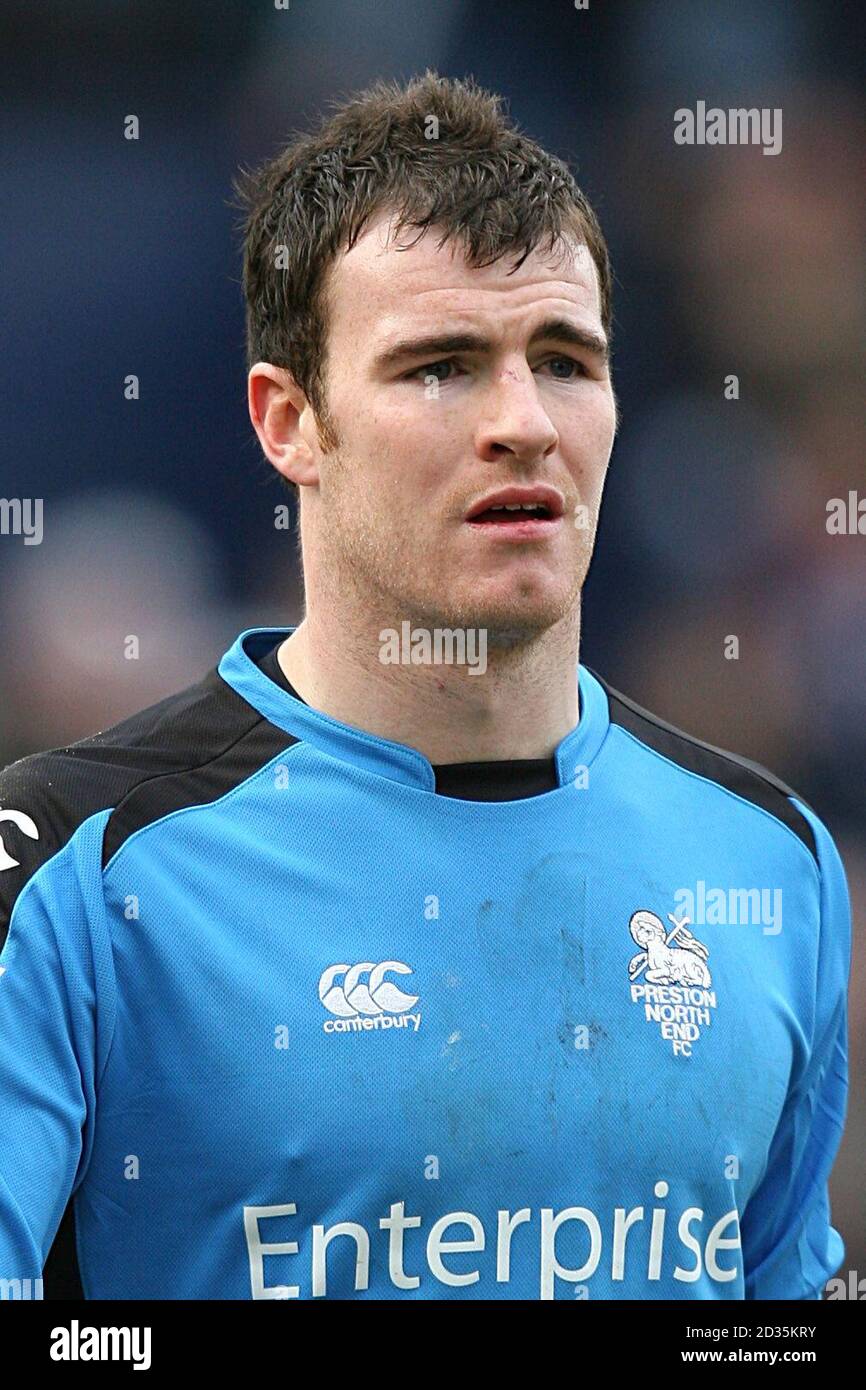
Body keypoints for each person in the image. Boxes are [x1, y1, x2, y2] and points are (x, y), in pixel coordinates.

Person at [0, 72, 850, 1301]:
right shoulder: (73, 873)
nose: (523, 422)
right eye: (440, 366)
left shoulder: (769, 859)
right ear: (288, 420)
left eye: (563, 359)